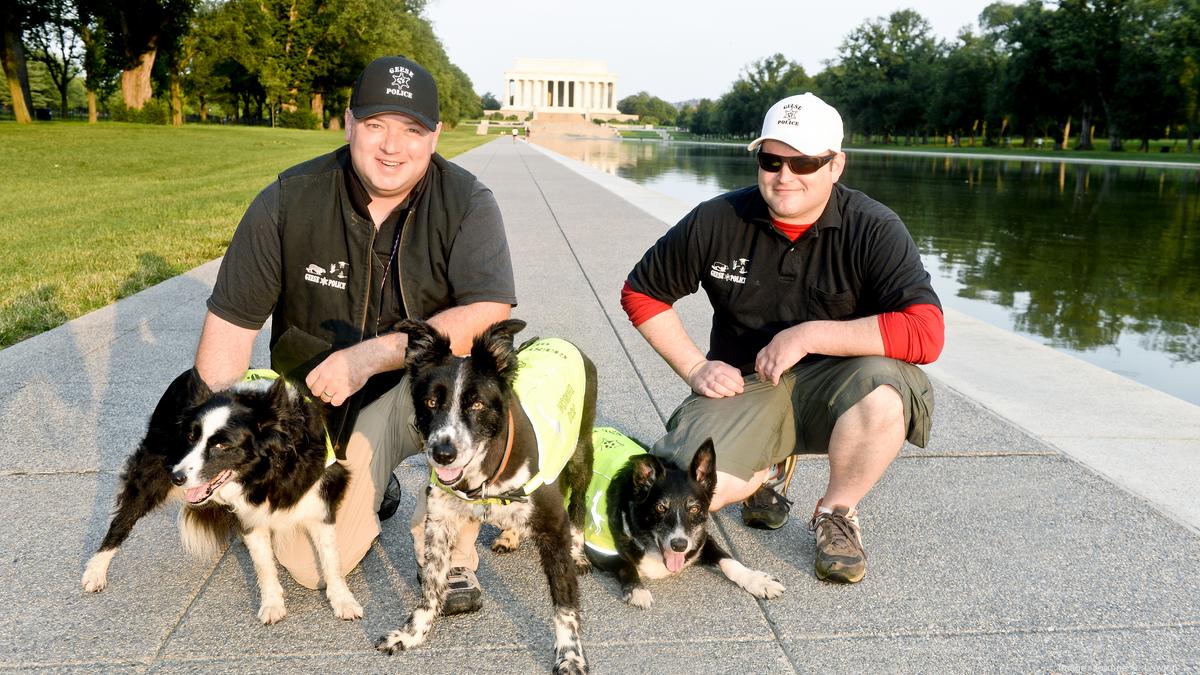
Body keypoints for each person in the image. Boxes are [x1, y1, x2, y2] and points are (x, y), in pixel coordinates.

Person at [195, 55, 516, 611]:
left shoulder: (468, 203)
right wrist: (212, 447)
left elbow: (490, 308)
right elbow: (226, 338)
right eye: (375, 126)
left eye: (411, 130)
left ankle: (454, 544)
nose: (392, 146)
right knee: (311, 568)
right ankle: (372, 484)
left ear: (435, 136)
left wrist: (370, 357)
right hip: (319, 409)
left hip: (423, 394)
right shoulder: (287, 201)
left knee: (500, 399)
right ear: (348, 124)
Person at [621, 93, 943, 584]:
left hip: (840, 388)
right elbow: (641, 292)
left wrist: (810, 334)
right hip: (748, 386)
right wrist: (693, 366)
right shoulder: (718, 219)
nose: (785, 175)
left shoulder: (874, 227)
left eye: (805, 161)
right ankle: (763, 472)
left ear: (836, 165)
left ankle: (838, 512)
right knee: (685, 488)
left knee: (886, 394)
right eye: (772, 159)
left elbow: (926, 332)